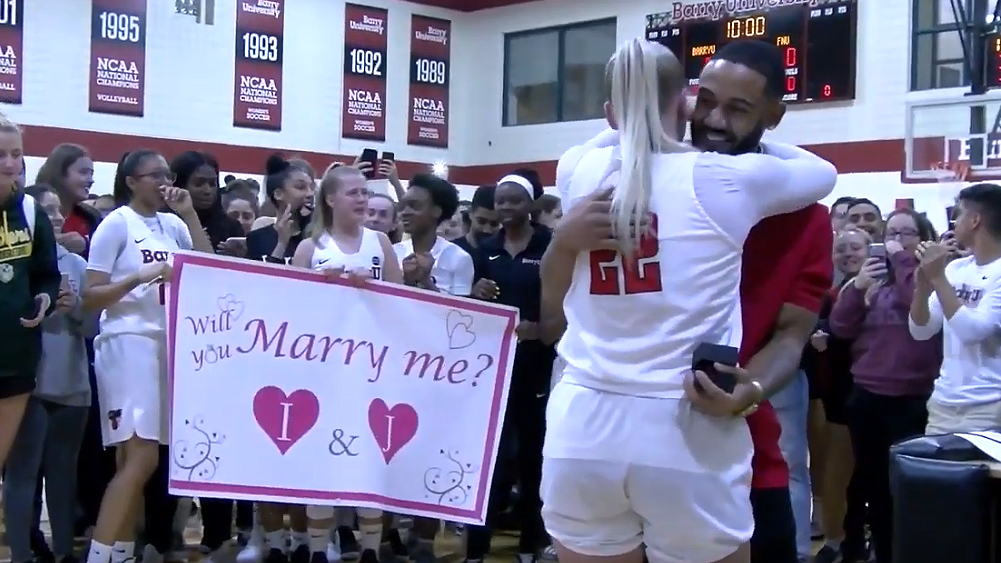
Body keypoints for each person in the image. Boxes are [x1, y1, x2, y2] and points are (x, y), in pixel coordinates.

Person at [538, 38, 836, 563]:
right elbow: (823, 170)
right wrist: (564, 240)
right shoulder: (732, 183)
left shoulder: (583, 171)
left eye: (738, 109)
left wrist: (756, 386)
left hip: (600, 420)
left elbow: (793, 333)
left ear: (774, 115)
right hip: (686, 428)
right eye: (706, 101)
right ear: (685, 99)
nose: (715, 120)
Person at [82, 149, 213, 563]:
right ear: (131, 179)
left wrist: (190, 213)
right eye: (154, 174)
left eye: (167, 173)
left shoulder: (174, 224)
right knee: (141, 458)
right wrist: (138, 276)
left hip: (166, 343)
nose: (164, 181)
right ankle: (101, 555)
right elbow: (90, 297)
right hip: (127, 341)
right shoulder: (115, 225)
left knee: (135, 462)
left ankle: (119, 551)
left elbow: (208, 267)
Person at [291, 165, 403, 563]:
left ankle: (371, 551)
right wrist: (321, 287)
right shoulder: (310, 248)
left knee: (369, 460)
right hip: (324, 373)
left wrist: (372, 288)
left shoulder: (380, 243)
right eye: (353, 192)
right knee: (322, 461)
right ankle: (318, 552)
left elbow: (404, 304)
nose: (361, 199)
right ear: (330, 199)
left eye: (364, 192)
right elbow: (286, 312)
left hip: (371, 369)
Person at [829, 209, 941, 563]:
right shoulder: (869, 279)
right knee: (873, 485)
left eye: (906, 233)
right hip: (868, 396)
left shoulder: (932, 279)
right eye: (892, 232)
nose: (896, 239)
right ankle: (882, 552)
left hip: (914, 396)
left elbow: (918, 309)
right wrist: (858, 286)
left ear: (923, 240)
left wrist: (904, 261)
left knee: (911, 486)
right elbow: (841, 328)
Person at [3, 183, 93, 563]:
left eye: (59, 210)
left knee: (63, 477)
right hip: (32, 379)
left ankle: (62, 554)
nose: (57, 216)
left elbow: (90, 328)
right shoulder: (17, 260)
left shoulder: (76, 264)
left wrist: (75, 307)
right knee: (22, 475)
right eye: (48, 209)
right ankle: (21, 554)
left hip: (72, 383)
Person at [0, 112, 61, 483]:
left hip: (18, 354)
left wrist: (44, 299)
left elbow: (46, 274)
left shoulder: (29, 211)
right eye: (1, 154)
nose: (9, 163)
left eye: (16, 154)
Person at [911, 182, 1001, 433]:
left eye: (958, 214)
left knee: (980, 474)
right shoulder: (955, 269)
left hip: (990, 405)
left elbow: (973, 332)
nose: (954, 222)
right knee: (930, 473)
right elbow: (922, 331)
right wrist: (922, 289)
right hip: (944, 402)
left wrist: (938, 279)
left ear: (974, 220)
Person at [394, 172, 473, 296]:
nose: (405, 212)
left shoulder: (459, 258)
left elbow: (459, 312)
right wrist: (408, 281)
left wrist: (426, 281)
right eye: (403, 206)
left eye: (414, 206)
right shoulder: (393, 252)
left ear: (436, 211)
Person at [170, 150, 245, 253]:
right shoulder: (164, 222)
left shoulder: (231, 227)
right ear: (180, 185)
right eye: (199, 184)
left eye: (212, 184)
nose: (207, 191)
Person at [246, 155, 315, 264]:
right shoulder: (257, 238)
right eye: (301, 187)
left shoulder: (320, 233)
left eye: (311, 187)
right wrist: (282, 243)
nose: (310, 193)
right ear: (278, 194)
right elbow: (263, 279)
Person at [35, 143, 99, 256]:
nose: (91, 180)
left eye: (91, 174)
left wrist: (86, 245)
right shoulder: (32, 210)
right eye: (83, 172)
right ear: (59, 173)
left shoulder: (92, 217)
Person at [451, 185, 498, 258]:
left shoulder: (503, 255)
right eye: (481, 221)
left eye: (494, 224)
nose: (487, 230)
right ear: (470, 214)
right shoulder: (452, 251)